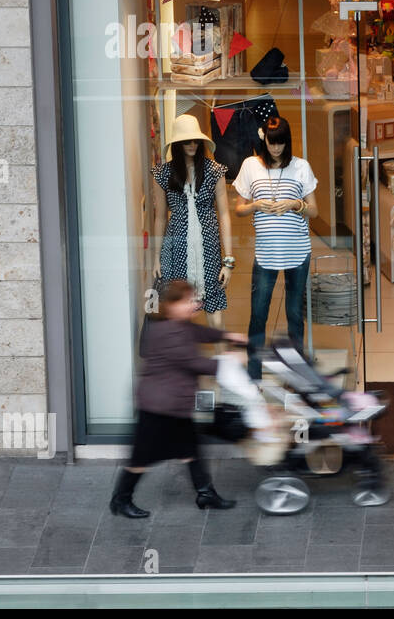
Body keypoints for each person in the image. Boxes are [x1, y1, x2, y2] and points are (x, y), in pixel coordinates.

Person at [110, 279, 247, 518]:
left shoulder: (180, 325)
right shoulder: (168, 332)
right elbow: (193, 363)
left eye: (193, 299)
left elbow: (201, 332)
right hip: (158, 408)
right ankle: (121, 500)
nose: (194, 304)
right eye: (187, 301)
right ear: (171, 306)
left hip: (174, 406)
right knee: (141, 457)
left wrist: (228, 335)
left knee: (191, 449)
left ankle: (205, 493)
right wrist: (229, 361)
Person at [233, 115, 319, 381]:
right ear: (264, 140)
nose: (276, 148)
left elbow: (314, 211)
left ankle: (298, 374)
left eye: (281, 143)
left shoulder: (301, 166)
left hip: (297, 252)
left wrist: (295, 205)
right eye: (272, 143)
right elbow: (238, 209)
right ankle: (253, 375)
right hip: (265, 253)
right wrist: (256, 205)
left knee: (295, 315)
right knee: (258, 314)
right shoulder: (250, 166)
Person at [152, 114, 234, 330]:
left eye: (196, 140)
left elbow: (225, 214)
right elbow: (160, 217)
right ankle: (178, 358)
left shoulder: (214, 171)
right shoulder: (163, 174)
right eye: (187, 141)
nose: (192, 145)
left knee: (213, 307)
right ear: (178, 144)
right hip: (175, 246)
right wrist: (155, 257)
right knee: (175, 309)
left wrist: (228, 260)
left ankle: (220, 360)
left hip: (208, 246)